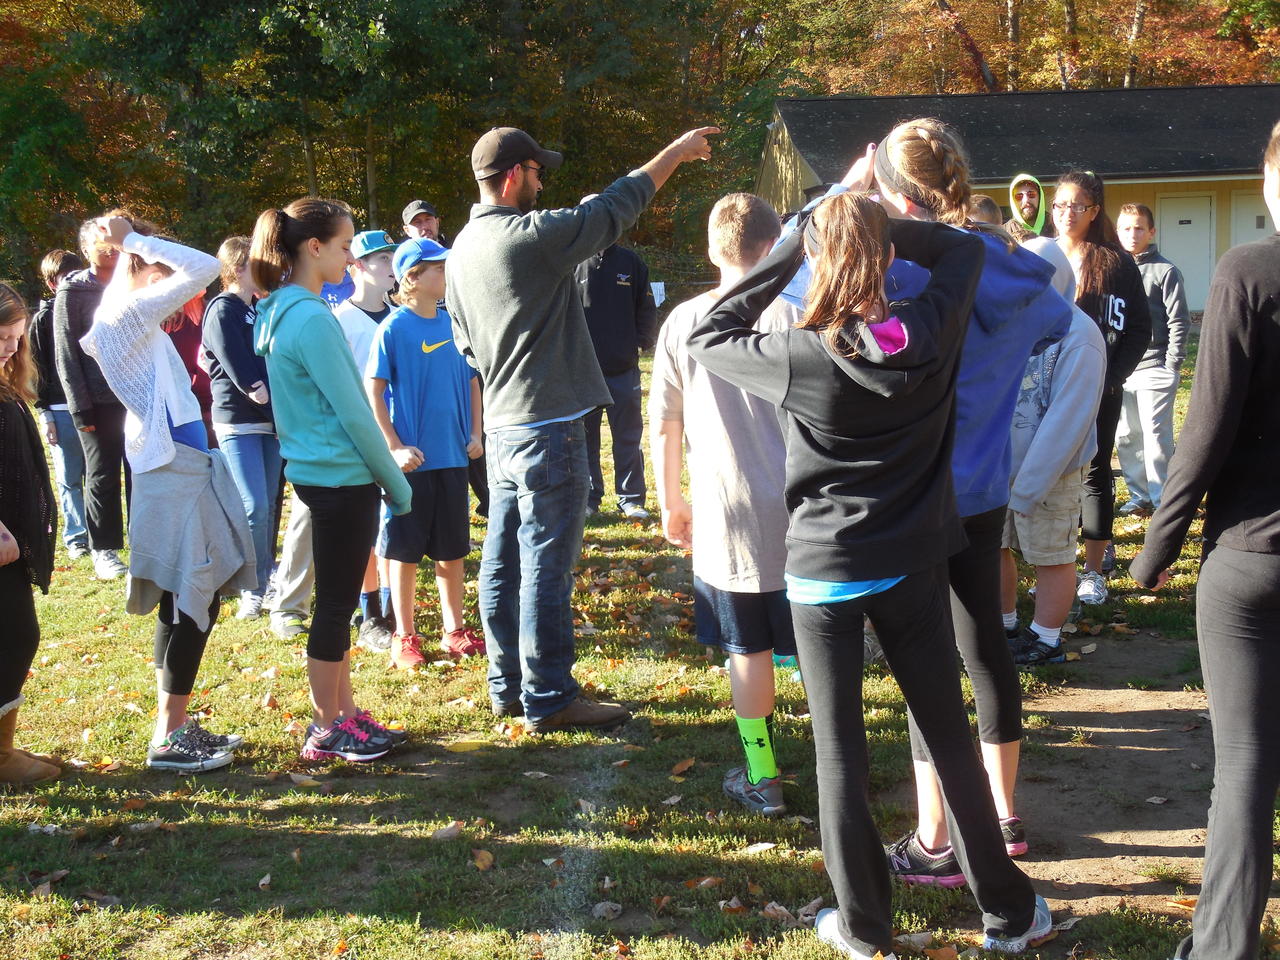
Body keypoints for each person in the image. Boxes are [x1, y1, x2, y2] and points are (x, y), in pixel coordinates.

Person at [686, 191, 1051, 959]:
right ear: (888, 257)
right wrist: (879, 223)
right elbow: (962, 251)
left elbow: (713, 328)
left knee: (839, 753)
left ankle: (864, 928)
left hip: (823, 574)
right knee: (949, 737)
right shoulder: (929, 327)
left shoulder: (801, 356)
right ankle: (1008, 916)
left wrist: (796, 236)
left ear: (818, 260)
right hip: (912, 564)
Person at [837, 121, 1069, 886]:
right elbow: (1053, 321)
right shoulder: (1009, 262)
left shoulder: (901, 272)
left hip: (921, 490)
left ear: (891, 192)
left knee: (925, 661)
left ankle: (938, 839)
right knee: (986, 647)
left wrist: (847, 195)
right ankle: (1004, 818)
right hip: (985, 487)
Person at [445, 123, 718, 733]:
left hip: (506, 425)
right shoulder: (529, 237)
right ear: (513, 175)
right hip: (551, 426)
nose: (543, 182)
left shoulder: (459, 251)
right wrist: (674, 151)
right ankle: (549, 696)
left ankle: (508, 686)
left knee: (503, 561)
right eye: (538, 172)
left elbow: (467, 347)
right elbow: (616, 204)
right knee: (545, 563)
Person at [1129, 122, 1280, 960]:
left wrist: (1157, 548)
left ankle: (1224, 949)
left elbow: (1207, 425)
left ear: (1268, 180)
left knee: (1248, 763)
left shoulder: (1249, 271)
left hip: (1252, 564)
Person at [79, 214, 255, 772]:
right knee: (194, 594)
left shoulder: (123, 313)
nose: (172, 276)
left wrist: (131, 247)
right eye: (161, 265)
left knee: (183, 593)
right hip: (174, 469)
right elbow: (202, 267)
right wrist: (131, 240)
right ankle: (169, 733)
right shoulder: (127, 314)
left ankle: (172, 723)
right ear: (140, 266)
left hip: (176, 462)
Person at [651, 192, 798, 816]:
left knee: (748, 650)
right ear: (774, 248)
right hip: (806, 516)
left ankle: (763, 774)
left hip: (727, 518)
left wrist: (670, 500)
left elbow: (664, 422)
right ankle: (840, 760)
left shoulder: (684, 320)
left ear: (712, 249)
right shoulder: (800, 314)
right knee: (815, 644)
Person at [252, 197, 412, 763]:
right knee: (336, 605)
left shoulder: (279, 310)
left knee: (338, 602)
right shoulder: (313, 317)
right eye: (345, 246)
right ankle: (326, 727)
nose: (351, 257)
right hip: (341, 479)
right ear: (312, 248)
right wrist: (395, 482)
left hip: (322, 476)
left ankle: (345, 713)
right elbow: (354, 413)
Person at [366, 237, 484, 668]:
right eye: (440, 268)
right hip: (412, 466)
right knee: (404, 552)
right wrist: (394, 447)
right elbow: (373, 391)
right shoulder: (393, 329)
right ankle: (405, 635)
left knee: (452, 550)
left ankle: (455, 630)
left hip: (454, 458)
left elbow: (473, 381)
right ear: (413, 278)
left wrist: (476, 431)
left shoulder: (455, 322)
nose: (448, 274)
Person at [1001, 237, 1107, 667]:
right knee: (995, 546)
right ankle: (1004, 624)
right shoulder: (1011, 323)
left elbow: (1066, 424)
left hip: (1052, 472)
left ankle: (1046, 638)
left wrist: (1028, 487)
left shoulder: (1080, 336)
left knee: (1051, 554)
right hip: (999, 466)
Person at [1052, 171, 1152, 604]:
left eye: (1076, 205)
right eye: (1059, 204)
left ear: (1094, 211)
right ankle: (1055, 567)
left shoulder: (1115, 262)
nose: (1066, 213)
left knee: (1093, 475)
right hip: (1045, 392)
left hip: (1098, 392)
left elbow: (1139, 329)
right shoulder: (1039, 257)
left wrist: (1112, 379)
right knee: (1053, 479)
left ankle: (1093, 571)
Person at [0, 282, 62, 785]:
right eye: (1, 337)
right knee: (16, 636)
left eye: (17, 339)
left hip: (12, 543)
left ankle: (3, 748)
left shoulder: (6, 383)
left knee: (17, 634)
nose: (10, 349)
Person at [201, 236, 281, 620]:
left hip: (269, 423)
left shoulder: (257, 307)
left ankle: (265, 574)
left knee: (268, 505)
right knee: (254, 505)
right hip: (238, 420)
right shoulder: (222, 308)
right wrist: (258, 389)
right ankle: (251, 587)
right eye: (255, 262)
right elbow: (232, 360)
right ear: (235, 268)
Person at [52, 214, 129, 580]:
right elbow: (66, 353)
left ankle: (146, 542)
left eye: (115, 243)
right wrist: (79, 408)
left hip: (135, 395)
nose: (111, 250)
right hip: (95, 401)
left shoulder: (135, 282)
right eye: (102, 244)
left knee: (141, 472)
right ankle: (105, 550)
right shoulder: (73, 290)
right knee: (101, 475)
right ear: (86, 250)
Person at [334, 229, 399, 645]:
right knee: (365, 529)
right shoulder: (341, 321)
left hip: (401, 436)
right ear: (356, 266)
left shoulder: (400, 314)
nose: (390, 266)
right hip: (360, 439)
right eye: (380, 259)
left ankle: (395, 610)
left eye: (393, 257)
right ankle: (369, 612)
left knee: (396, 526)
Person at [576, 207, 658, 519]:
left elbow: (646, 307)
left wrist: (640, 341)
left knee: (628, 437)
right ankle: (589, 498)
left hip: (623, 370)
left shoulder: (631, 262)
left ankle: (632, 499)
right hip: (582, 372)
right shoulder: (571, 262)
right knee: (585, 439)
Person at [1115, 202, 1188, 516]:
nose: (1133, 234)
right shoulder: (1114, 268)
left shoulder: (1165, 270)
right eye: (1126, 228)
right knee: (1127, 435)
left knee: (1156, 437)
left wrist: (1172, 364)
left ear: (1151, 232)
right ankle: (1139, 496)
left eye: (1139, 228)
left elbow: (1178, 320)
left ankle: (1163, 502)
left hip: (1155, 366)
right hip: (1120, 370)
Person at [30, 249, 88, 560]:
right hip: (60, 409)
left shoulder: (92, 309)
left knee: (96, 476)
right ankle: (77, 537)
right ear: (53, 284)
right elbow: (36, 370)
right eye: (67, 278)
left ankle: (99, 535)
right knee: (69, 477)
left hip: (91, 407)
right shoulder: (42, 319)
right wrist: (45, 414)